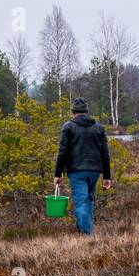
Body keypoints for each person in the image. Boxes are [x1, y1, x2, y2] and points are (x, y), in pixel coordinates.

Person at [53, 98, 112, 235]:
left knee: (81, 202)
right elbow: (105, 154)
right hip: (94, 172)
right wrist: (107, 177)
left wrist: (58, 174)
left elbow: (62, 152)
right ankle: (87, 231)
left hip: (76, 172)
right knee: (89, 201)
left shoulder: (68, 127)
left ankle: (86, 236)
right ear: (87, 112)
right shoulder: (99, 128)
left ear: (73, 112)